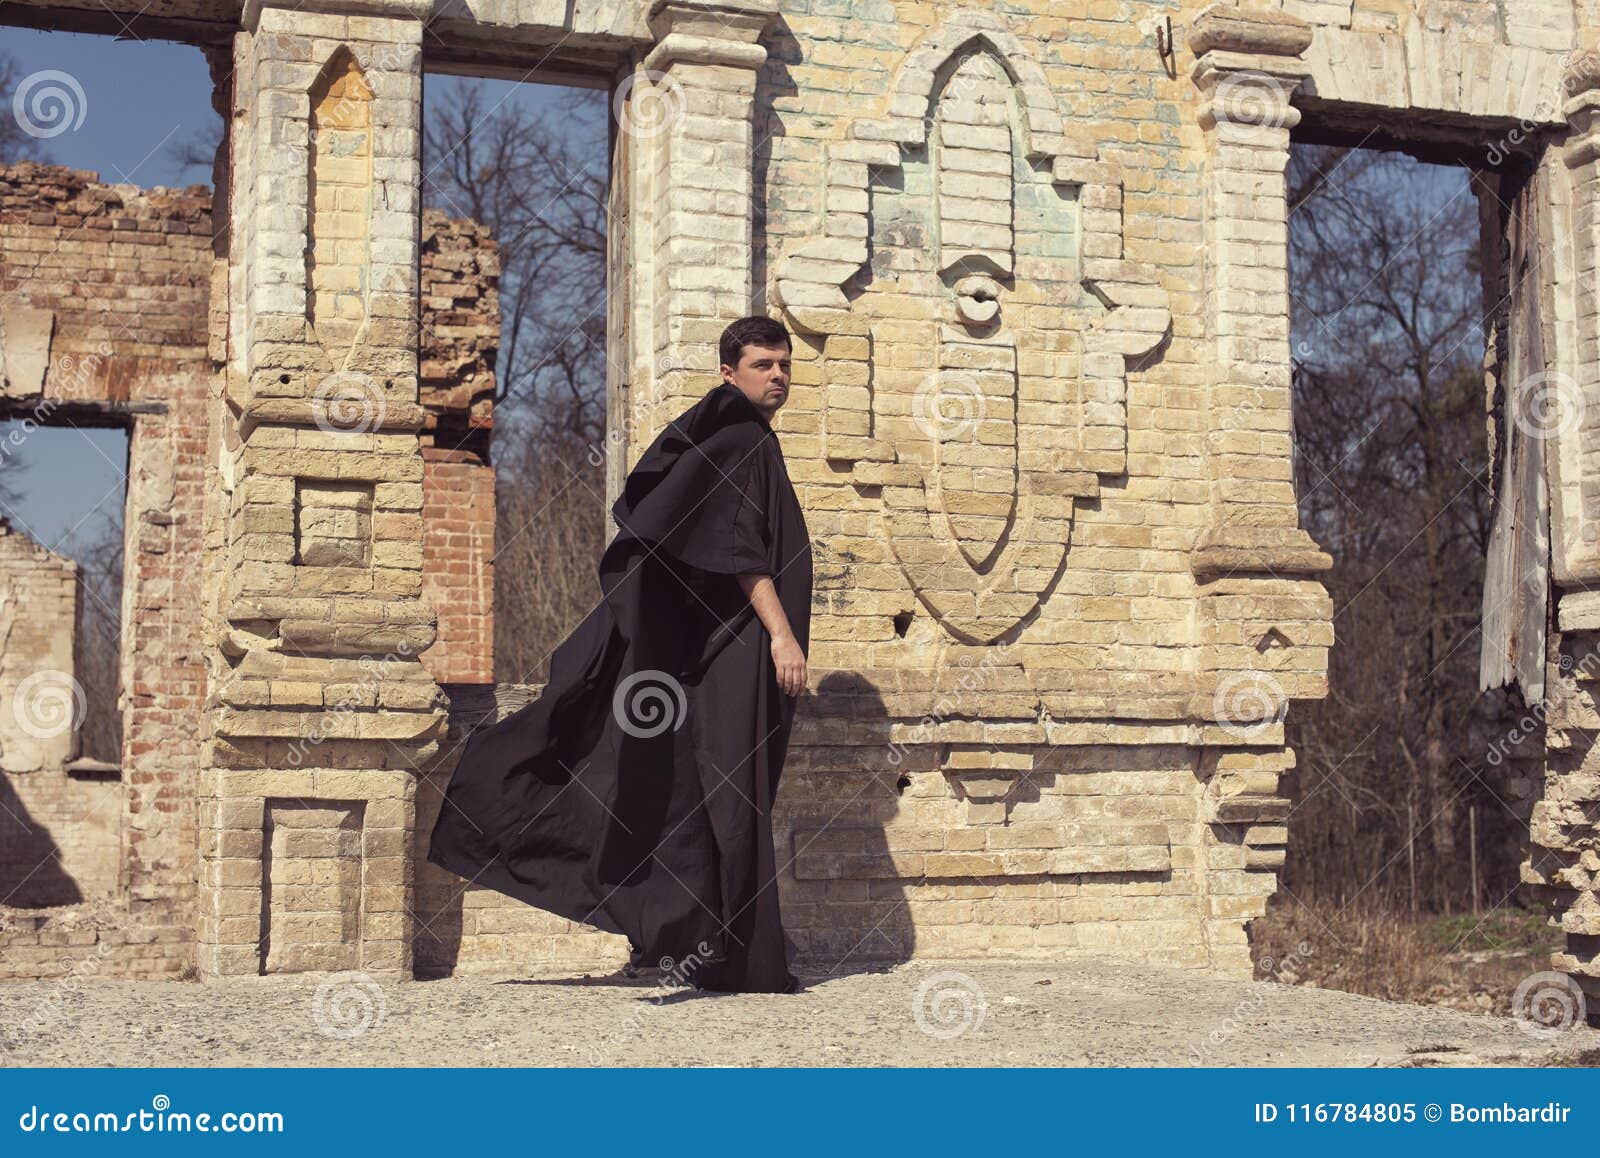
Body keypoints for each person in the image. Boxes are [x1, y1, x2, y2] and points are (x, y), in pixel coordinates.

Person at [427, 315, 813, 994]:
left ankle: (686, 945)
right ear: (730, 373)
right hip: (744, 648)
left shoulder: (721, 432)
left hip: (722, 650)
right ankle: (725, 954)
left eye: (784, 365)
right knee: (731, 795)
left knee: (699, 790)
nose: (777, 376)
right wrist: (782, 635)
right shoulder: (741, 438)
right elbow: (745, 554)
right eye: (762, 365)